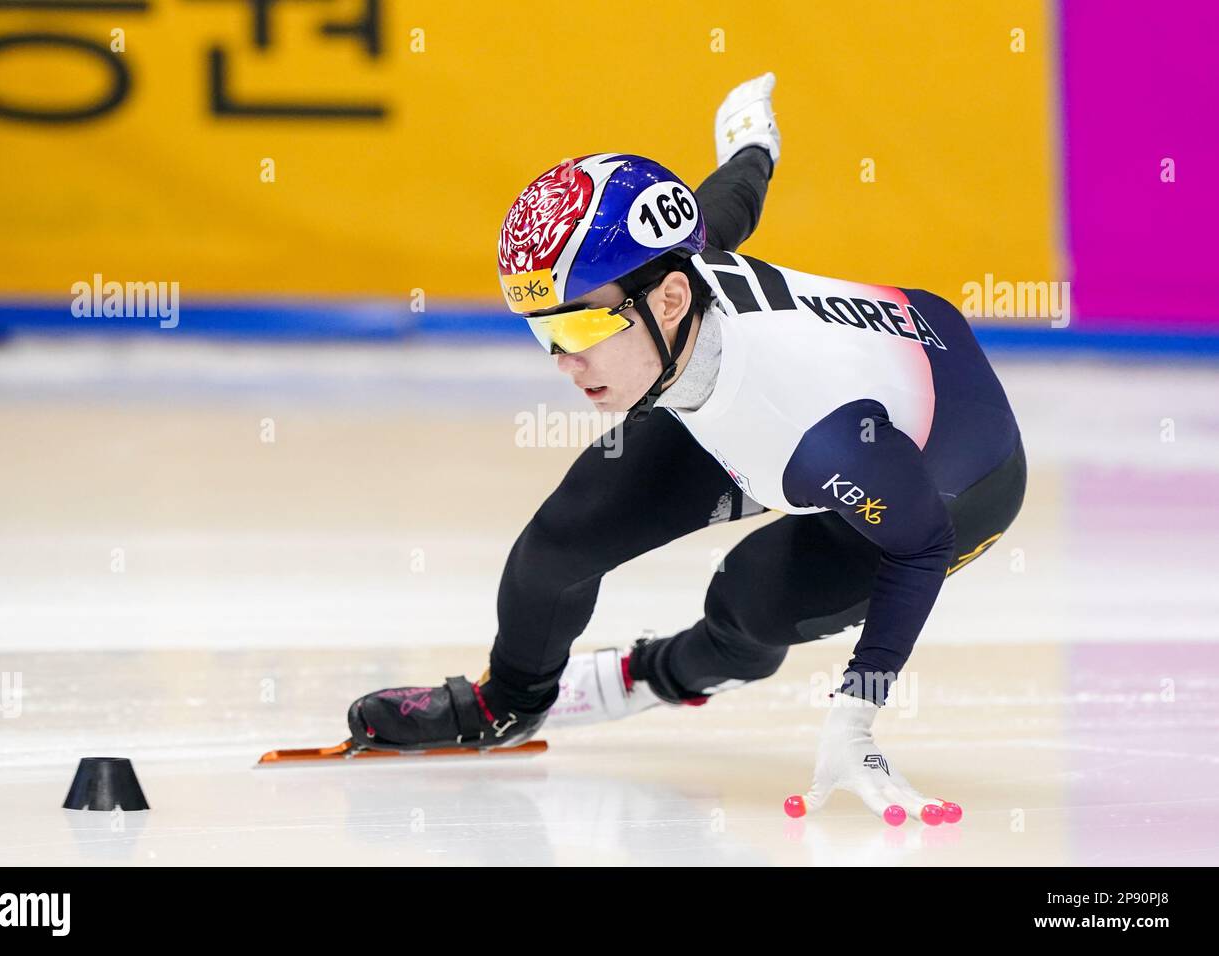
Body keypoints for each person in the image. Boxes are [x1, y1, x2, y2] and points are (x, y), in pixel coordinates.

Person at [347, 74, 1024, 825]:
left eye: (578, 329)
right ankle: (505, 704)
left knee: (751, 600)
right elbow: (731, 195)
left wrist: (855, 717)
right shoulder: (675, 270)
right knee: (565, 537)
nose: (564, 363)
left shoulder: (812, 427)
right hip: (798, 405)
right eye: (544, 333)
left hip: (955, 476)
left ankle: (655, 674)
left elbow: (921, 544)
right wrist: (752, 140)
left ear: (671, 301)